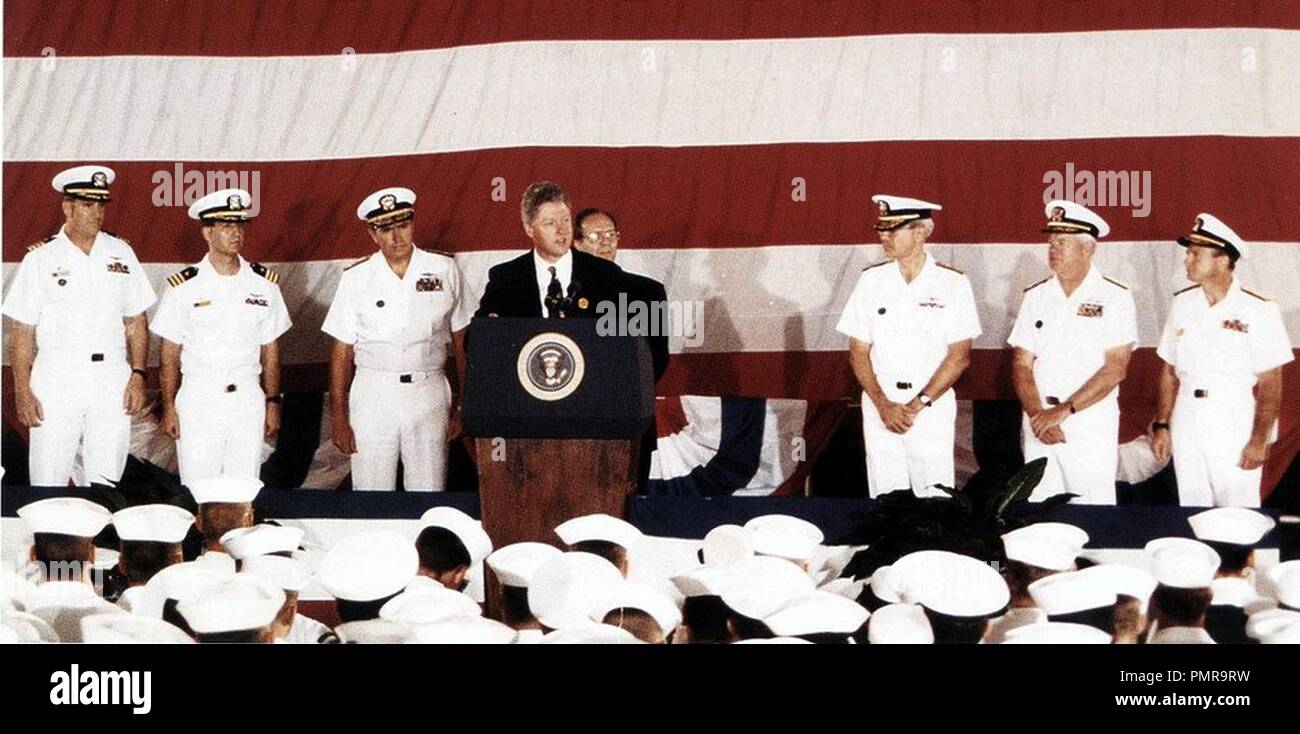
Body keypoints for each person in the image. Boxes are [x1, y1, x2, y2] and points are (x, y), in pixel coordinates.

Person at [4, 165, 155, 486]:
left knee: (106, 481)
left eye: (101, 205)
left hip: (110, 378)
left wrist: (138, 375)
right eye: (88, 205)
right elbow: (22, 331)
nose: (97, 213)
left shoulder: (121, 253)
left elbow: (136, 321)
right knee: (48, 477)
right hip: (57, 378)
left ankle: (100, 521)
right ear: (67, 207)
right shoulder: (41, 258)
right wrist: (22, 390)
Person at [321, 187, 468, 491]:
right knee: (371, 492)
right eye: (386, 229)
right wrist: (339, 416)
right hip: (374, 394)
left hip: (428, 392)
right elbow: (341, 351)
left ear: (413, 224)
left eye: (403, 225)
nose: (397, 237)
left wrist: (463, 405)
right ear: (372, 234)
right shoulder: (356, 277)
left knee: (429, 492)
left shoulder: (444, 269)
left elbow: (462, 340)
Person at [835, 194, 980, 496]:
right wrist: (883, 405)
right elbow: (857, 352)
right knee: (886, 498)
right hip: (880, 402)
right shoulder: (871, 281)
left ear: (921, 232)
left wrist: (916, 406)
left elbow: (959, 356)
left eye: (893, 229)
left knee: (935, 497)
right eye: (882, 228)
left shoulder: (952, 283)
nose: (883, 236)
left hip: (930, 405)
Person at [1151, 213, 1293, 507]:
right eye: (1188, 253)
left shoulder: (1257, 308)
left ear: (1223, 259)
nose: (1187, 260)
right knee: (1192, 506)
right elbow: (1169, 370)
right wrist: (1162, 425)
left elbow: (1271, 382)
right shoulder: (1182, 303)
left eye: (1196, 254)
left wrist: (1258, 440)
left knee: (1238, 509)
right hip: (1187, 416)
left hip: (1233, 418)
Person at [151, 188, 290, 486]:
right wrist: (169, 406)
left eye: (240, 225)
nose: (236, 233)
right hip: (200, 398)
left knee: (244, 488)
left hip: (247, 399)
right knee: (199, 488)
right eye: (226, 226)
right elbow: (169, 354)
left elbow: (271, 350)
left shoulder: (264, 284)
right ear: (207, 232)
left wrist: (273, 402)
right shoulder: (184, 286)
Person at [1009, 200, 1136, 503]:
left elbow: (1115, 368)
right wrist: (1037, 414)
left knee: (1091, 511)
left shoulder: (1114, 296)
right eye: (1051, 242)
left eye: (1062, 242)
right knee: (1039, 511)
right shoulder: (1036, 295)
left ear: (1087, 248)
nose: (1052, 249)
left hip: (1087, 423)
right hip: (1039, 422)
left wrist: (1062, 411)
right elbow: (1022, 364)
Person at [474, 182, 629, 320]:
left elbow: (627, 335)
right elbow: (477, 336)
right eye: (550, 223)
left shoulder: (605, 273)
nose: (562, 230)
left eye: (565, 220)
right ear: (529, 229)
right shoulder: (506, 278)